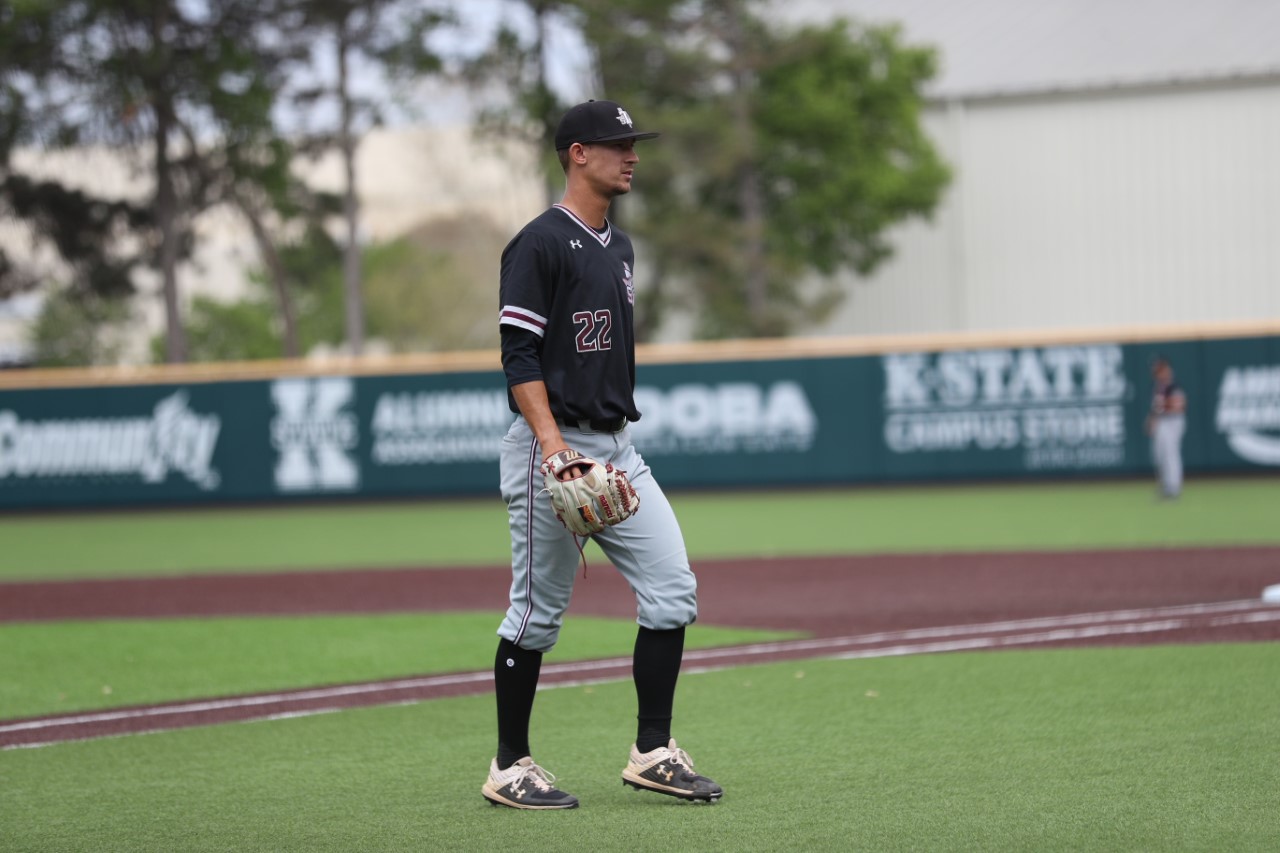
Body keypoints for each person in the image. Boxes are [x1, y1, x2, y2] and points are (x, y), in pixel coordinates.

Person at [481, 99, 722, 810]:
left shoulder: (619, 246)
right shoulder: (539, 243)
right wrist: (554, 447)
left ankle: (652, 750)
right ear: (577, 153)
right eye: (618, 144)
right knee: (536, 616)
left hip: (618, 446)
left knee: (673, 589)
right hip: (550, 446)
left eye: (634, 143)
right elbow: (517, 355)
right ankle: (509, 765)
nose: (632, 155)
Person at [1146, 356, 1187, 499]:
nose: (1156, 372)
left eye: (1159, 369)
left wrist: (1160, 413)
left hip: (1172, 421)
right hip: (1162, 422)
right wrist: (1152, 419)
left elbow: (1178, 407)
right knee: (1159, 455)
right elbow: (1156, 408)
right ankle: (1165, 486)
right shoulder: (1158, 386)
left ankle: (1174, 488)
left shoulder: (1174, 386)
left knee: (1171, 454)